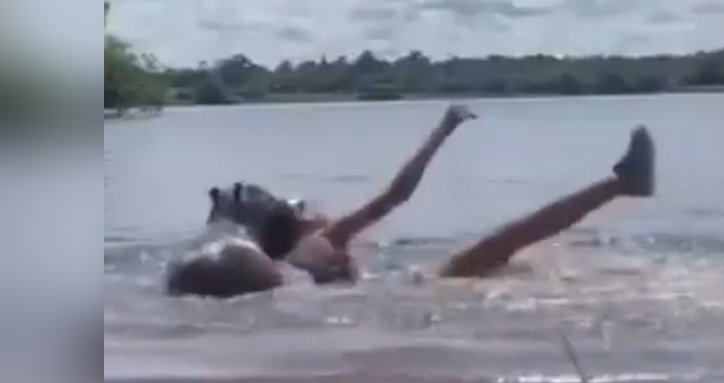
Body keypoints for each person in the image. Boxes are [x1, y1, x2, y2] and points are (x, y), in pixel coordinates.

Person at [167, 104, 656, 298]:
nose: (315, 207)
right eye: (301, 206)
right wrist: (443, 129)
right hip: (407, 294)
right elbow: (398, 194)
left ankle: (618, 185)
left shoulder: (291, 255)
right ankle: (620, 184)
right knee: (504, 242)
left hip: (384, 296)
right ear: (291, 221)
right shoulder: (320, 240)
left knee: (509, 253)